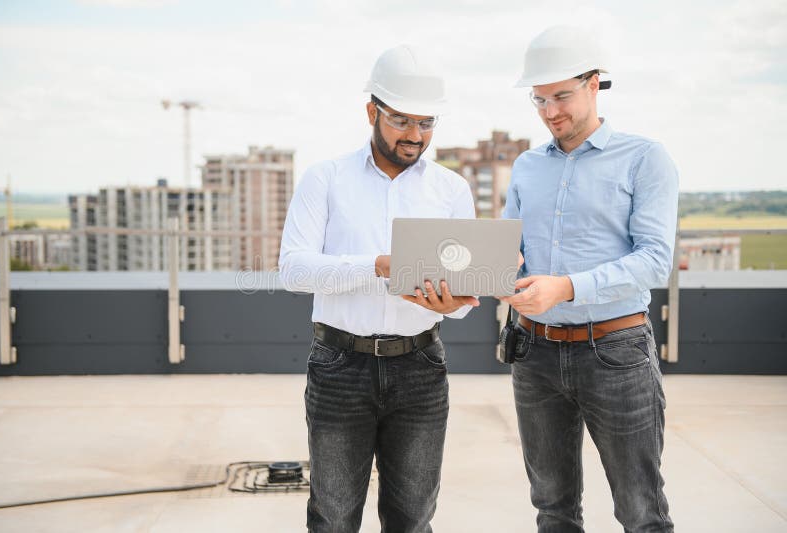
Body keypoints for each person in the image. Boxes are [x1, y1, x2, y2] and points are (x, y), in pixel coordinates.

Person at [279, 44, 478, 533]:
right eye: (402, 121)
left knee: (413, 518)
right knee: (333, 517)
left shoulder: (451, 191)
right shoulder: (325, 180)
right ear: (372, 111)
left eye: (427, 123)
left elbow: (462, 303)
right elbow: (294, 270)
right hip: (339, 367)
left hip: (420, 368)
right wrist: (379, 265)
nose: (415, 136)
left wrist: (453, 304)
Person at [500, 26, 677, 532]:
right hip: (534, 354)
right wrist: (483, 273)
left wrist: (567, 287)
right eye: (539, 99)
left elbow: (654, 260)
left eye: (561, 95)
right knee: (552, 509)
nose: (550, 111)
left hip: (616, 352)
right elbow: (513, 252)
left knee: (641, 510)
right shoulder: (526, 166)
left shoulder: (645, 158)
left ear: (594, 83)